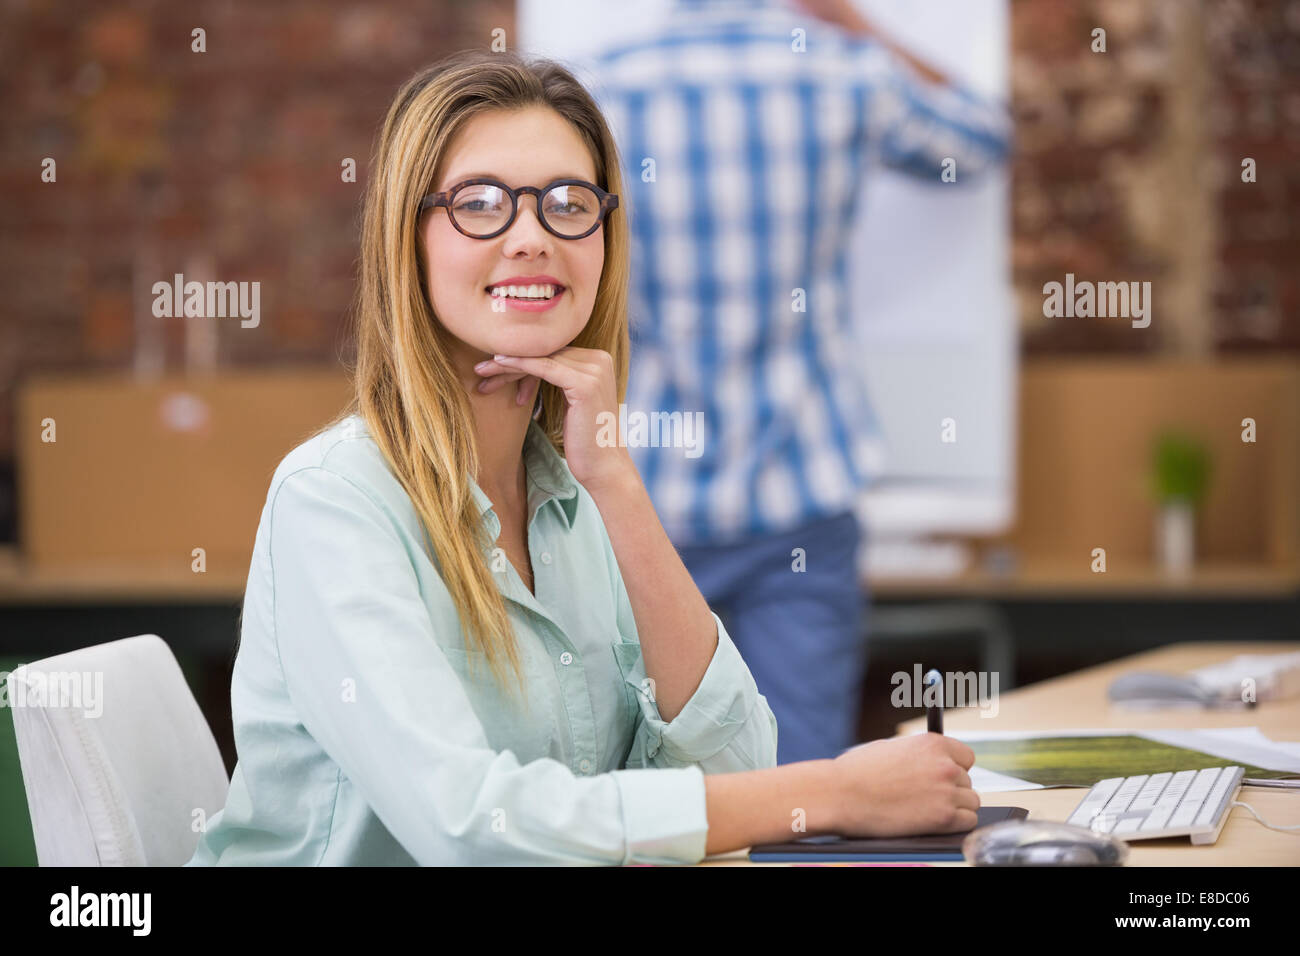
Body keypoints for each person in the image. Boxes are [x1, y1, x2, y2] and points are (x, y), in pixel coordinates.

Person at [185, 49, 979, 866]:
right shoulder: (334, 501)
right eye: (480, 203)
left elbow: (736, 764)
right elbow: (470, 827)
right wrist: (832, 792)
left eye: (567, 203)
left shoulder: (572, 495)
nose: (531, 238)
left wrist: (616, 483)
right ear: (408, 235)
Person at [588, 0, 1011, 764]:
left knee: (653, 774)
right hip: (803, 492)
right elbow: (982, 135)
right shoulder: (844, 70)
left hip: (647, 501)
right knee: (805, 777)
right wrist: (858, 23)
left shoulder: (603, 92)